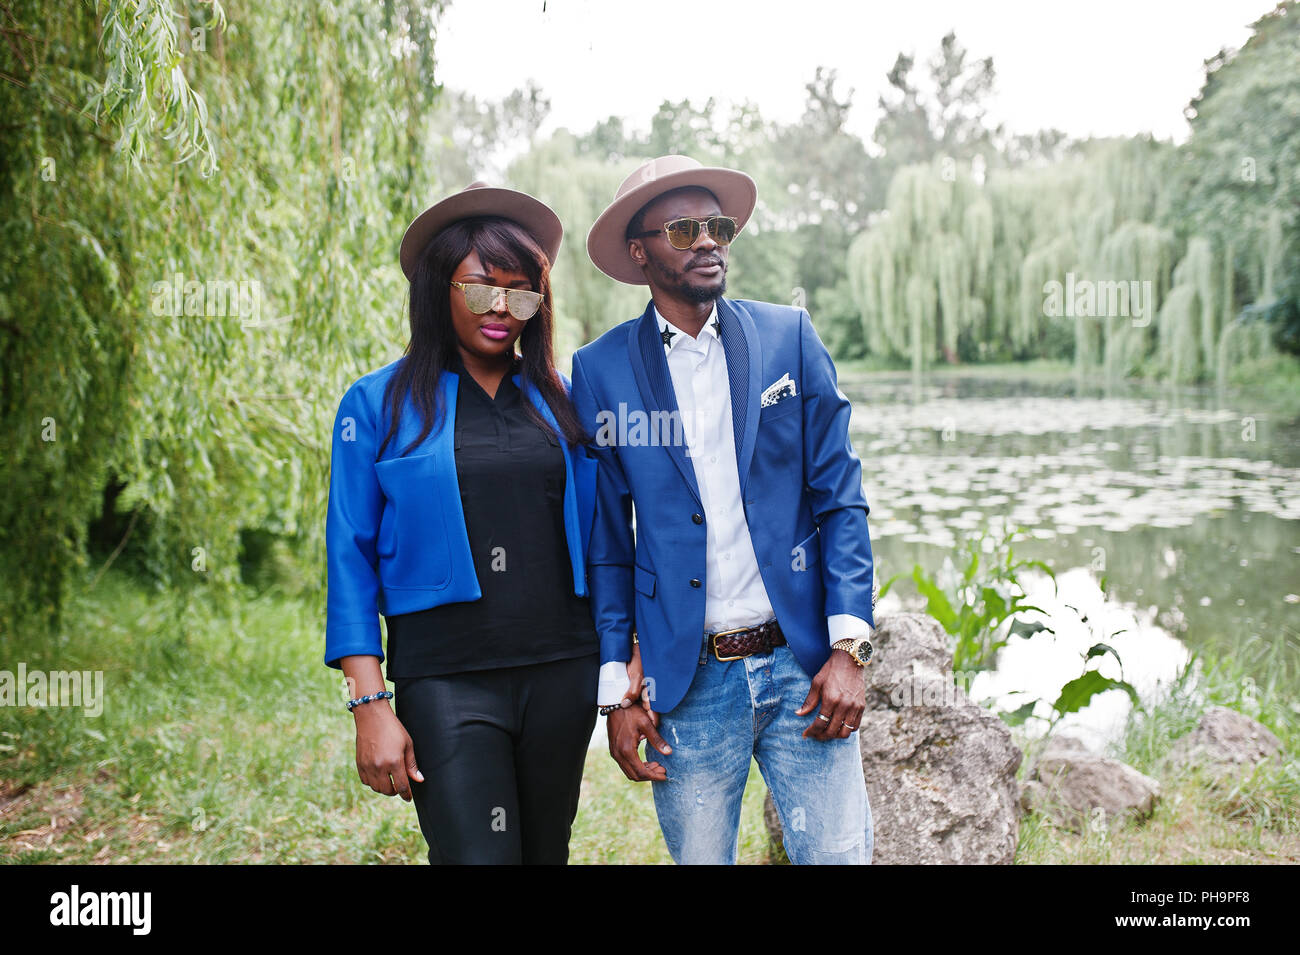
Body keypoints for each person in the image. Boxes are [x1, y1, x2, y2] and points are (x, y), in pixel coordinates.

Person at [571, 155, 877, 865]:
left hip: (805, 669)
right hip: (691, 683)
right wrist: (616, 692)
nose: (708, 240)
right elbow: (608, 543)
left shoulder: (788, 337)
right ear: (640, 250)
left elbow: (841, 498)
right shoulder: (601, 369)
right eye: (684, 228)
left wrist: (849, 647)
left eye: (718, 226)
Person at [325, 182, 599, 864]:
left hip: (562, 670)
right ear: (438, 288)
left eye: (522, 292)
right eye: (481, 287)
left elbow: (610, 537)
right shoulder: (376, 404)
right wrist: (369, 702)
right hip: (445, 679)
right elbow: (349, 558)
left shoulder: (562, 401)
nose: (502, 308)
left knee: (544, 854)